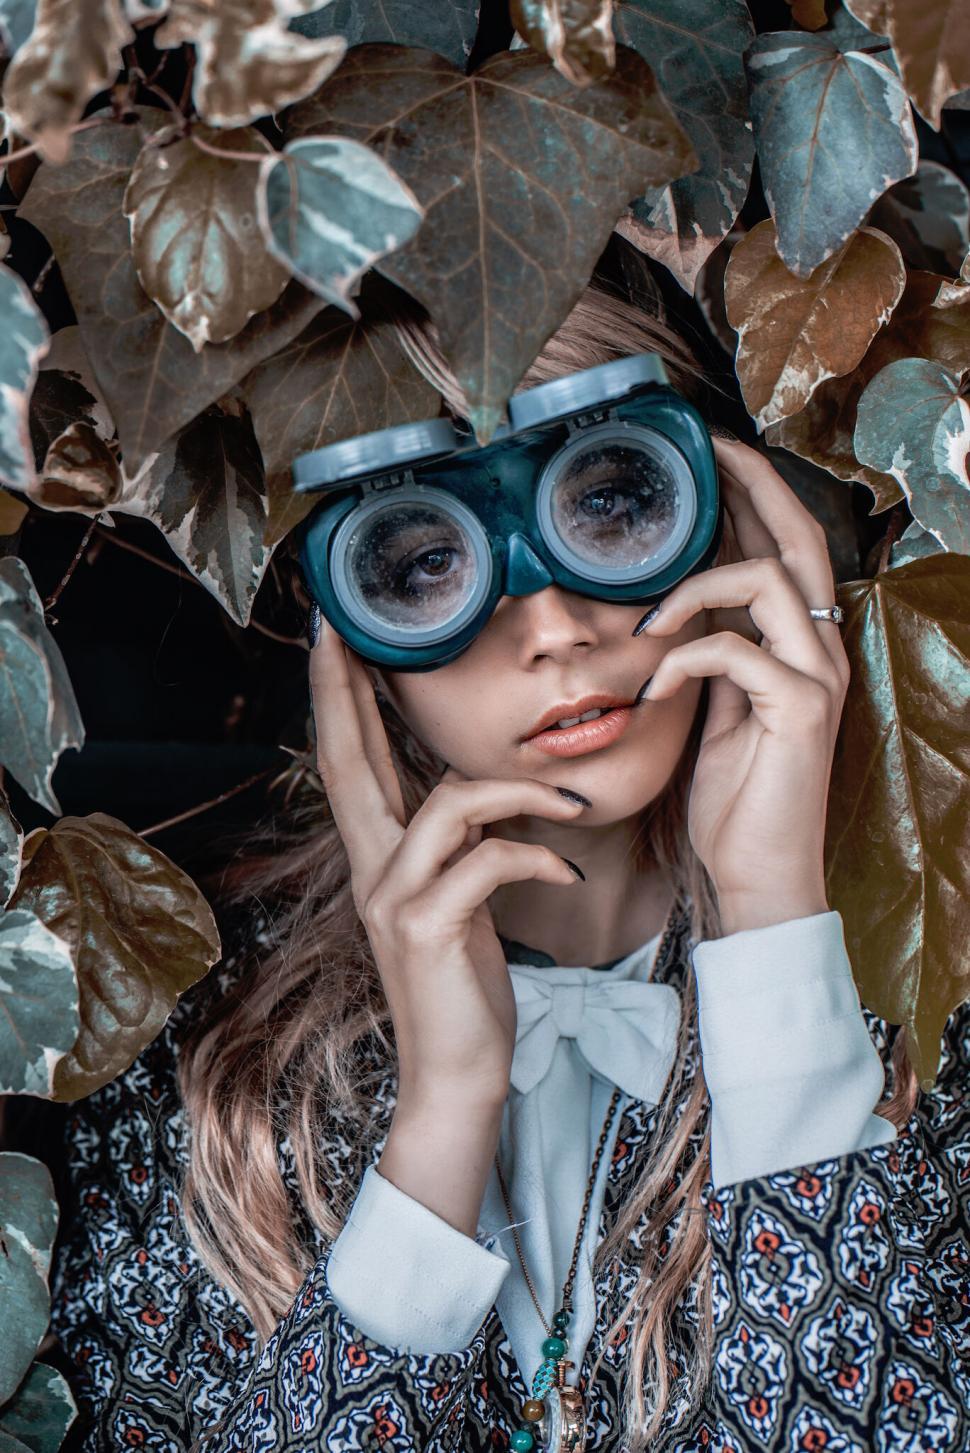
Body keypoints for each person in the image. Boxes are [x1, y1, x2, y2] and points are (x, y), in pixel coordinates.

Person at [48, 270, 968, 1453]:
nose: (553, 628)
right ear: (346, 638)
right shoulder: (194, 1079)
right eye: (420, 560)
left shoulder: (931, 1012)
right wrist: (440, 1112)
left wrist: (776, 925)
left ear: (731, 520)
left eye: (615, 497)